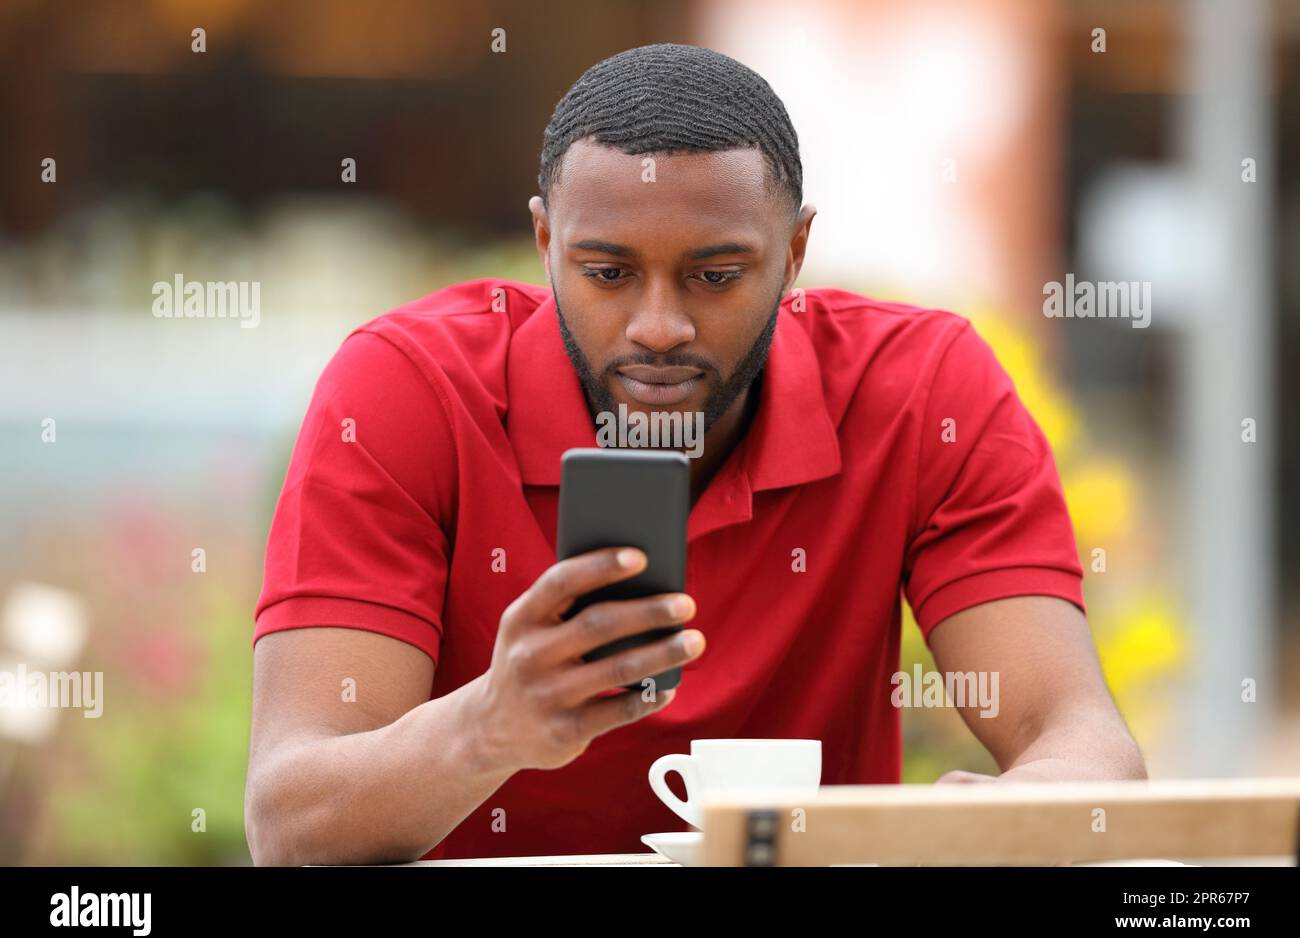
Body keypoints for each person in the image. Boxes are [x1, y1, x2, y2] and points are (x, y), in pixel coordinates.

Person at [243, 42, 1145, 866]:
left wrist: (1011, 816)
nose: (659, 328)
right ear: (546, 243)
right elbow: (290, 822)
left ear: (794, 253)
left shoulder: (921, 388)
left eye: (715, 276)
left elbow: (1080, 739)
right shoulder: (406, 391)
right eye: (607, 273)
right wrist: (490, 725)